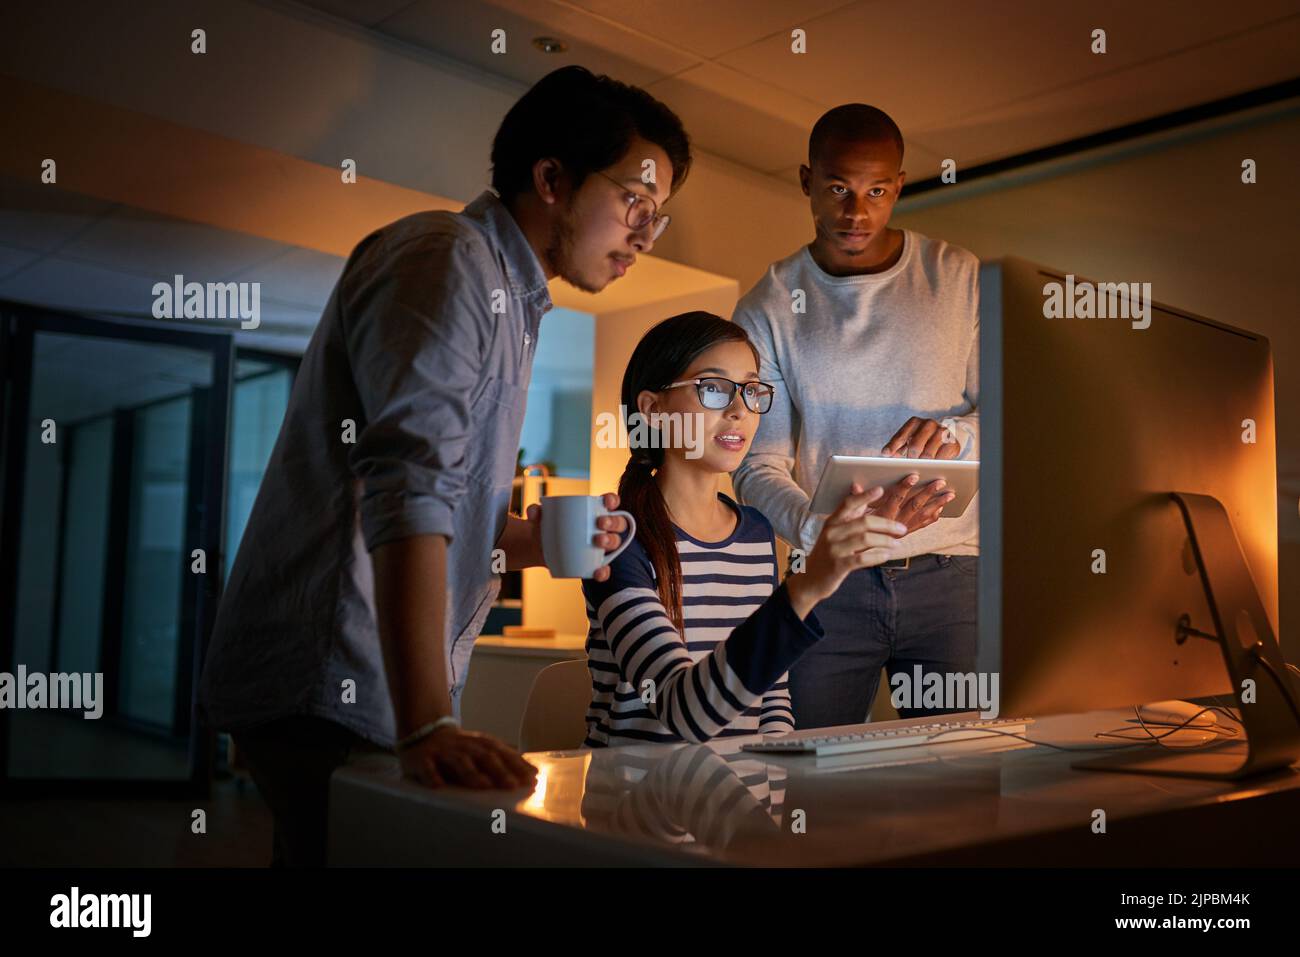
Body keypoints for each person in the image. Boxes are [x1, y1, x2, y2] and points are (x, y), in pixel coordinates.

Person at [198, 65, 692, 866]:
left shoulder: (517, 300)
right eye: (634, 201)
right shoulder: (449, 257)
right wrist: (427, 723)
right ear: (553, 179)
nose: (643, 232)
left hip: (363, 688)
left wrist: (539, 543)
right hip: (334, 680)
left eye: (657, 217)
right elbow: (409, 488)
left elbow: (451, 511)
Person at [581, 312, 951, 747]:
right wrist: (810, 582)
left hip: (739, 802)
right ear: (653, 409)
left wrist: (773, 782)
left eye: (752, 391)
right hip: (637, 801)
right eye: (714, 389)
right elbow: (683, 712)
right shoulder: (612, 536)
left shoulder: (755, 529)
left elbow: (770, 698)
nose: (740, 411)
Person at [731, 103, 981, 730]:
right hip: (828, 583)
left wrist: (959, 433)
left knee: (962, 776)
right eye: (838, 189)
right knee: (810, 774)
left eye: (876, 191)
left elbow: (1017, 411)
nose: (856, 212)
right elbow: (755, 464)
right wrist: (816, 530)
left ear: (899, 185)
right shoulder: (767, 305)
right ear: (806, 180)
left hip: (952, 576)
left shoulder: (958, 277)